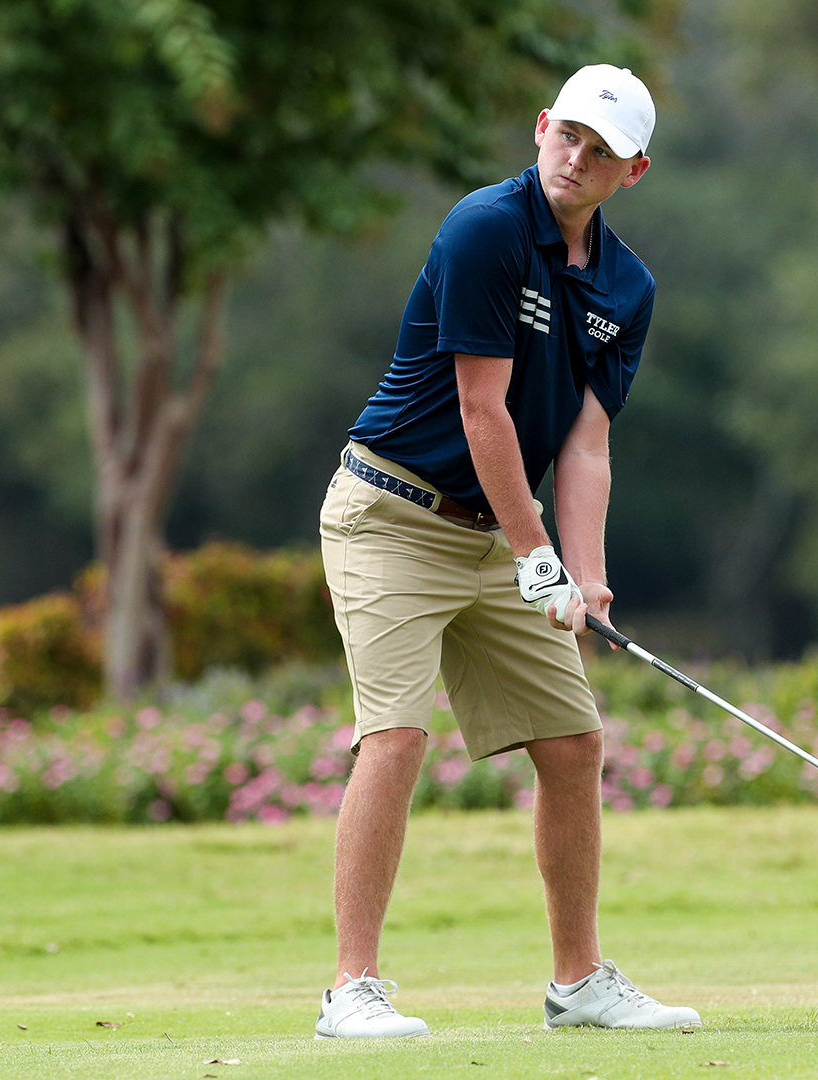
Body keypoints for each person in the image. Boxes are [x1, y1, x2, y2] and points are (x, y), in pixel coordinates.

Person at [314, 64, 698, 1039]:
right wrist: (540, 558)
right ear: (540, 128)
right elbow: (483, 409)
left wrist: (587, 571)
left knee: (574, 744)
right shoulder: (485, 227)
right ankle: (351, 988)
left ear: (633, 170)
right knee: (395, 735)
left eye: (601, 148)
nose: (577, 156)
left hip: (497, 533)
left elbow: (584, 442)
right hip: (392, 515)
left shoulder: (627, 287)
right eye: (567, 133)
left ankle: (580, 983)